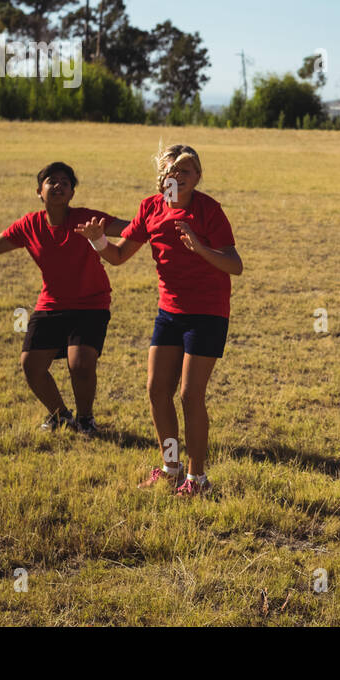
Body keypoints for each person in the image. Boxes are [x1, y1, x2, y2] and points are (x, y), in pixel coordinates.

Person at [76, 145, 242, 498]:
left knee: (190, 394)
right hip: (169, 312)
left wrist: (199, 247)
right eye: (173, 170)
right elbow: (119, 255)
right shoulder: (150, 208)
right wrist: (97, 241)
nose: (179, 177)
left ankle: (197, 480)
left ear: (198, 178)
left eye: (187, 171)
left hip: (208, 312)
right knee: (156, 390)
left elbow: (234, 264)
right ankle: (171, 467)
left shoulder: (209, 210)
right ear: (161, 175)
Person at [0, 162, 128, 434]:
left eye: (65, 182)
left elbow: (130, 229)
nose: (58, 186)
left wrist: (157, 219)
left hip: (91, 303)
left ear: (72, 194)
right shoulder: (29, 225)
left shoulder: (86, 218)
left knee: (80, 363)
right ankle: (60, 416)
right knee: (31, 365)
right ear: (39, 191)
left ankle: (85, 419)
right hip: (52, 304)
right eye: (51, 181)